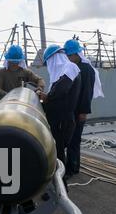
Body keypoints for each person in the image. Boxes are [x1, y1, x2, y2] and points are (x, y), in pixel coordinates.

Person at [64, 39, 104, 177]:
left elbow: (87, 92)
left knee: (74, 140)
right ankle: (73, 166)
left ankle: (72, 168)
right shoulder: (75, 67)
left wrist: (83, 111)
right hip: (73, 109)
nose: (68, 58)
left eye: (69, 55)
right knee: (71, 139)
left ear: (76, 54)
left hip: (79, 111)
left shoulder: (86, 69)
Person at [38, 45, 81, 167]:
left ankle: (61, 180)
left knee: (60, 150)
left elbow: (61, 89)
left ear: (54, 58)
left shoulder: (70, 68)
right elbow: (57, 94)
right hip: (58, 119)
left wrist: (47, 97)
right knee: (57, 149)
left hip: (63, 120)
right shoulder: (62, 73)